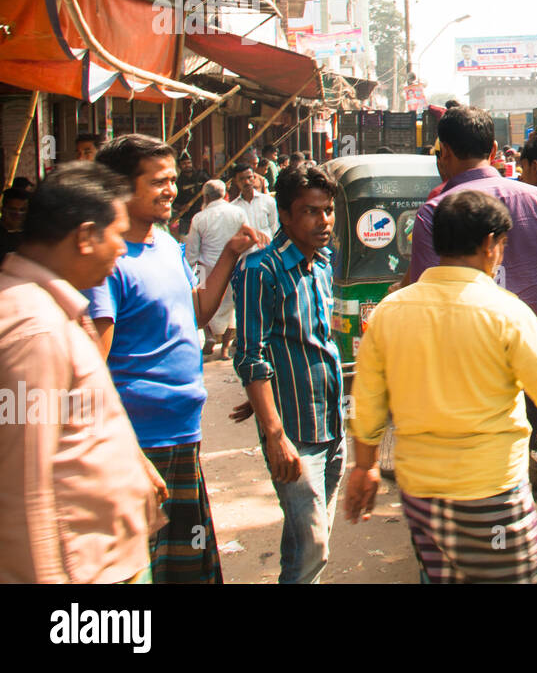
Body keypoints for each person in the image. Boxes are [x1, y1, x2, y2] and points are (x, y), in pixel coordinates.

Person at [344, 191, 537, 582]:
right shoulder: (506, 312)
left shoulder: (389, 313)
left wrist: (365, 466)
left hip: (421, 497)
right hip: (490, 499)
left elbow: (367, 401)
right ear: (489, 245)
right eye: (502, 245)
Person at [89, 134, 261, 583]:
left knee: (190, 568)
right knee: (144, 570)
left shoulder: (165, 243)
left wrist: (229, 253)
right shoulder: (106, 265)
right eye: (158, 182)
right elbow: (90, 373)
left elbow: (200, 312)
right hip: (141, 446)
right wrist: (130, 454)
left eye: (172, 179)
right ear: (121, 187)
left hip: (183, 439)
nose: (171, 189)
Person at [0, 163, 167, 583]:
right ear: (85, 236)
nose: (123, 250)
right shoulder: (34, 329)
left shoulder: (52, 309)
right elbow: (24, 489)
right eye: (118, 235)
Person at [404, 106, 537, 408]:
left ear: (444, 151)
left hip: (464, 379)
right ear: (495, 149)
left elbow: (425, 306)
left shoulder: (434, 212)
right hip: (535, 371)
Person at [232, 167, 345, 584]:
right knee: (312, 544)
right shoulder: (262, 270)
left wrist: (262, 391)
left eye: (328, 211)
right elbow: (250, 355)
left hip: (331, 423)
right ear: (284, 215)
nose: (323, 221)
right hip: (295, 433)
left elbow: (307, 342)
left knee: (305, 545)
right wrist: (274, 432)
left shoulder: (321, 264)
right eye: (310, 212)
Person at [186, 179, 247, 361]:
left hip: (206, 268)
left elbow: (191, 252)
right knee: (232, 306)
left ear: (205, 197)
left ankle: (210, 337)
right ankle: (226, 348)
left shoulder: (199, 217)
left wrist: (191, 271)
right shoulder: (238, 213)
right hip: (235, 266)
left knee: (204, 303)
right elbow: (247, 239)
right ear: (225, 195)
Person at [231, 161, 279, 242]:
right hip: (246, 253)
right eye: (241, 179)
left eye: (249, 177)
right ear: (235, 181)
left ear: (254, 177)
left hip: (267, 250)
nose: (246, 182)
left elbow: (274, 228)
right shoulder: (233, 208)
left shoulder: (268, 201)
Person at [174, 152, 209, 235]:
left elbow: (212, 189)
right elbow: (174, 203)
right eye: (184, 164)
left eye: (189, 163)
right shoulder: (178, 182)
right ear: (179, 166)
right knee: (185, 241)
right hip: (186, 218)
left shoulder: (202, 176)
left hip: (203, 214)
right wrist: (181, 207)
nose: (187, 165)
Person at [0, 185, 28, 264]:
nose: (17, 214)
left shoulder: (29, 238)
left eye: (22, 210)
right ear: (3, 210)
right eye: (12, 210)